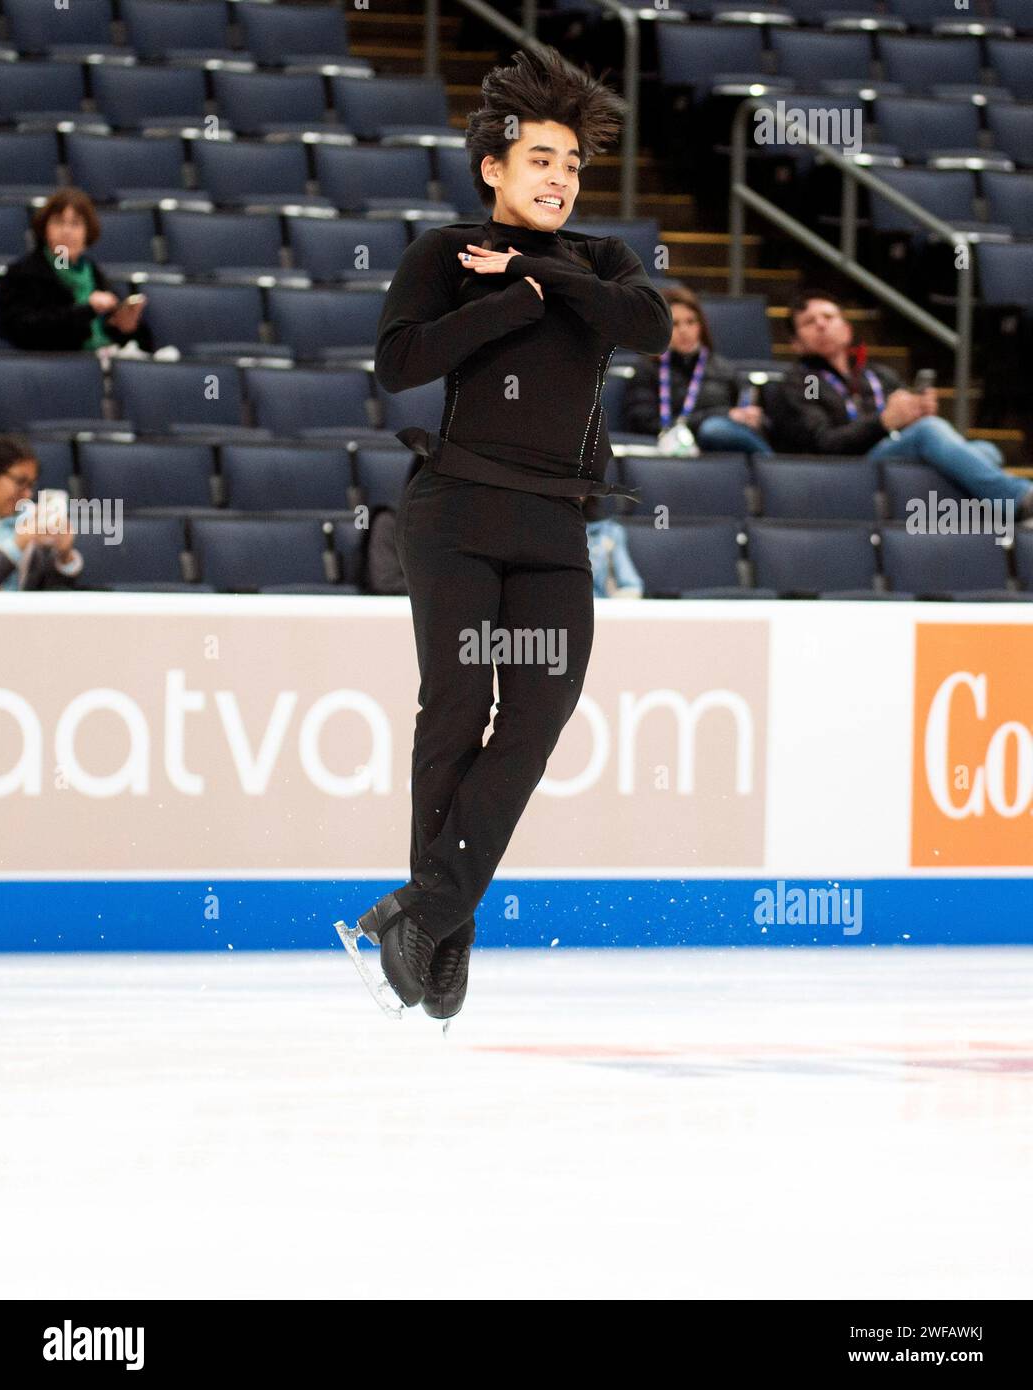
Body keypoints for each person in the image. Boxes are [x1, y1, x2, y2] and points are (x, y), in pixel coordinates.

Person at [361, 44, 672, 1018]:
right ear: (493, 167)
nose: (560, 178)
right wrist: (505, 304)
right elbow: (397, 364)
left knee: (537, 714)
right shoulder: (444, 254)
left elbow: (648, 324)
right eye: (541, 159)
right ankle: (444, 925)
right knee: (455, 708)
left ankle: (430, 906)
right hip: (454, 509)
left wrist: (547, 281)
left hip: (551, 524)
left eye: (573, 164)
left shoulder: (601, 264)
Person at [767, 290, 1033, 521]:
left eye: (828, 317)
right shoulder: (805, 381)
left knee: (986, 450)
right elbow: (823, 444)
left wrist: (917, 413)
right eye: (809, 322)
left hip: (897, 455)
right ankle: (1017, 500)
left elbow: (909, 427)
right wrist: (885, 421)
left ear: (846, 328)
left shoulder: (879, 375)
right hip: (852, 469)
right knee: (933, 434)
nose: (822, 326)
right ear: (796, 343)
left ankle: (981, 519)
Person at [0, 188, 152, 353]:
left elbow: (122, 335)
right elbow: (25, 330)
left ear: (88, 233)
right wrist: (88, 310)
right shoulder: (25, 272)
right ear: (44, 229)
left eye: (75, 223)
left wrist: (125, 327)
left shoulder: (90, 271)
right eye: (58, 222)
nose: (66, 231)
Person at [623, 285, 770, 453]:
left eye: (690, 322)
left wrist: (752, 417)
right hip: (672, 450)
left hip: (725, 451)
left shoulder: (724, 368)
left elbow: (753, 413)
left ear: (701, 326)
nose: (684, 330)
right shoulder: (647, 370)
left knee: (717, 430)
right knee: (712, 428)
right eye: (675, 324)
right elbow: (643, 422)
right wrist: (718, 416)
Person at [0, 435, 84, 590]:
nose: (28, 495)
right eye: (20, 482)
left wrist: (64, 556)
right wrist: (17, 544)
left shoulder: (30, 521)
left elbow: (53, 595)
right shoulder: (24, 532)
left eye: (31, 485)